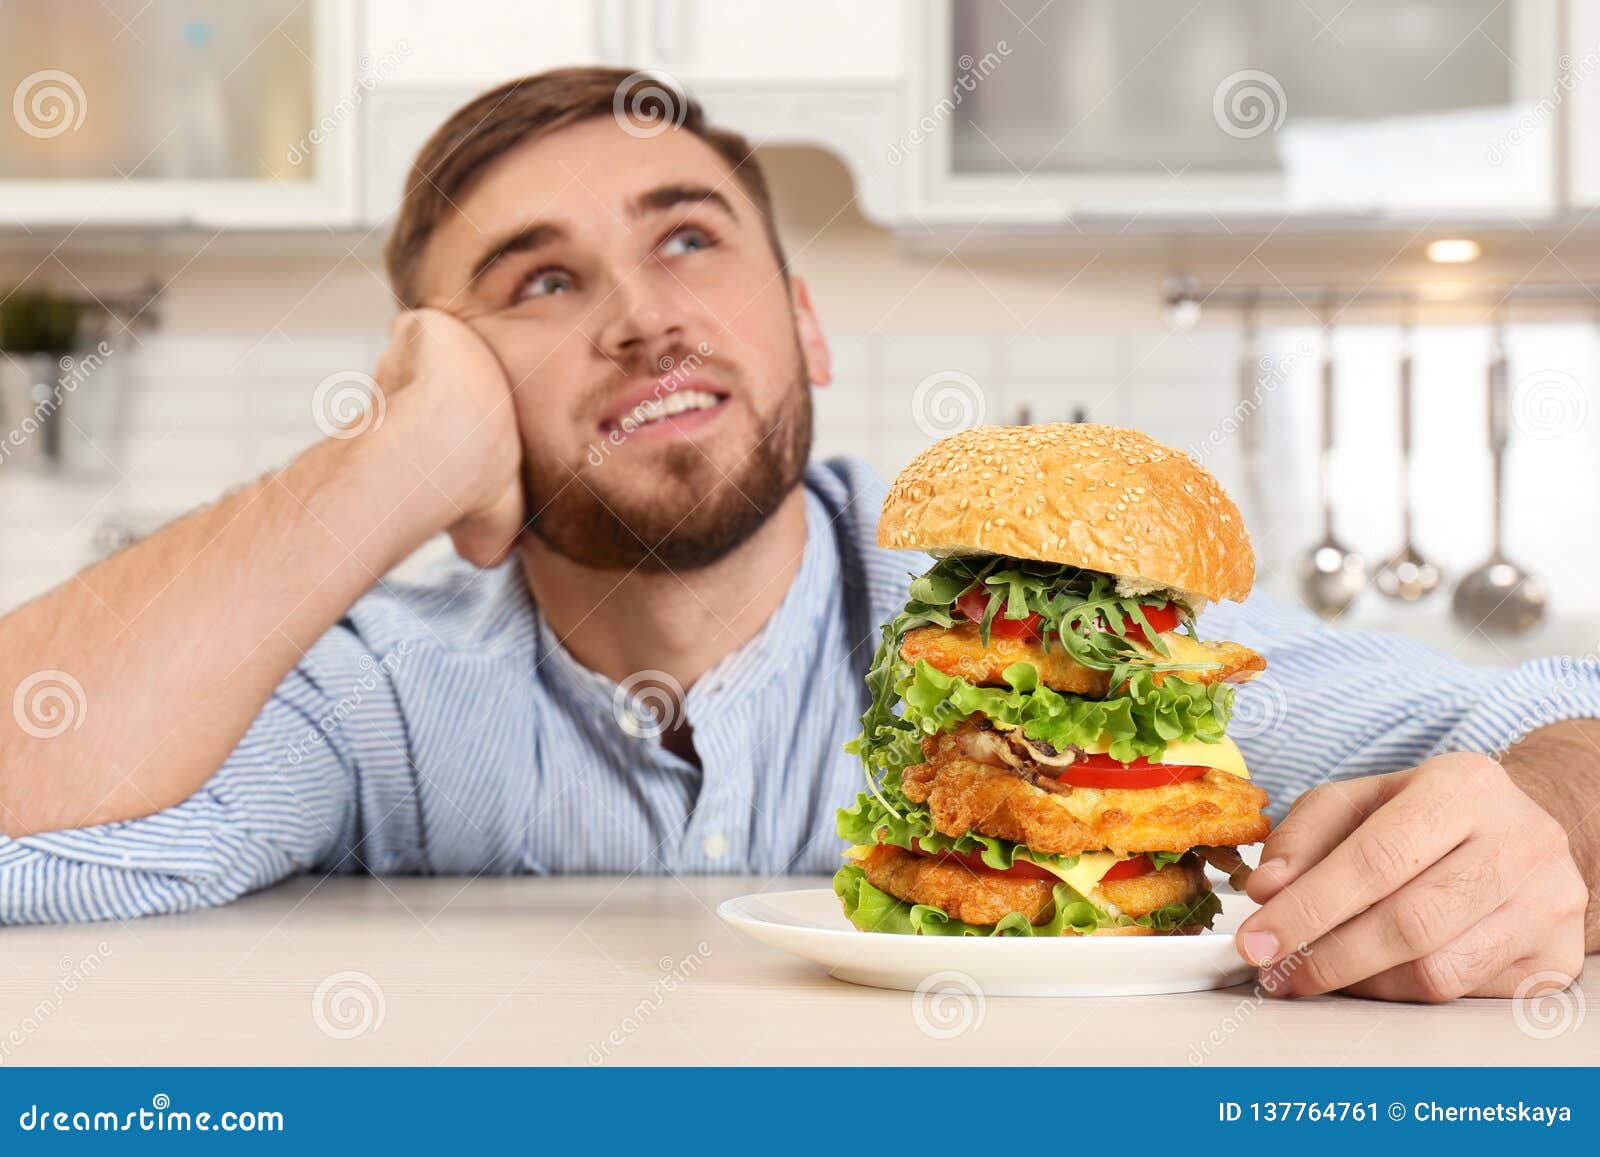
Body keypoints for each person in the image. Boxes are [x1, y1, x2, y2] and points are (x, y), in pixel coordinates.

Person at [0, 68, 1591, 1003]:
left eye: (687, 239)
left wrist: (1527, 832)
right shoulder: (376, 701)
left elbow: (1547, 730)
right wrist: (380, 465)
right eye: (537, 283)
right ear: (453, 377)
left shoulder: (1057, 629)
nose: (641, 318)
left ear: (803, 322)